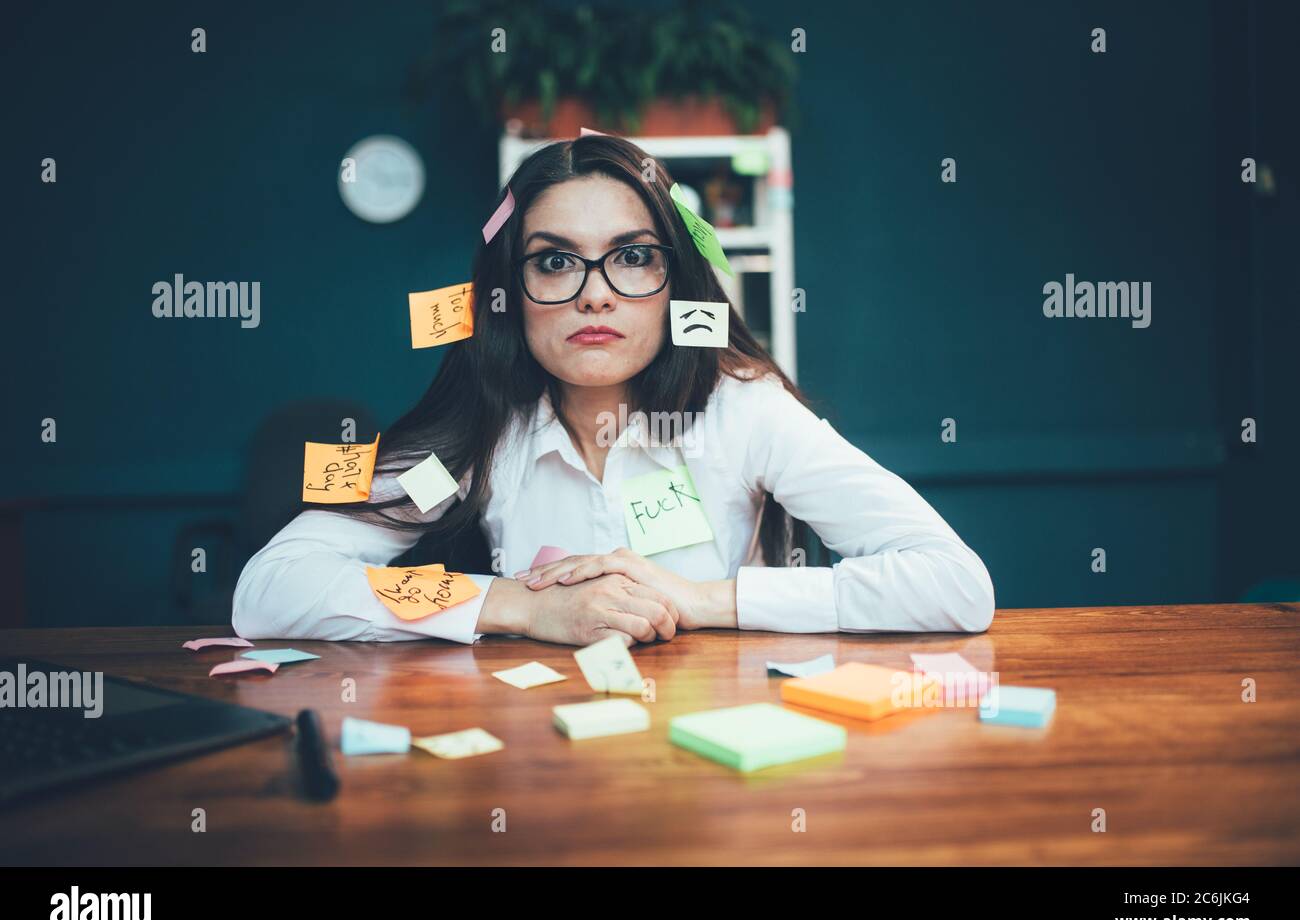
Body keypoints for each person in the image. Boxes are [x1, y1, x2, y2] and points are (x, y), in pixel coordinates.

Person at [232, 135, 994, 648]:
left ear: (675, 283)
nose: (595, 295)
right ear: (509, 293)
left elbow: (954, 584)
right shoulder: (472, 442)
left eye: (631, 257)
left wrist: (702, 601)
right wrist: (520, 607)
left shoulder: (745, 411)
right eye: (555, 262)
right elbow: (270, 590)